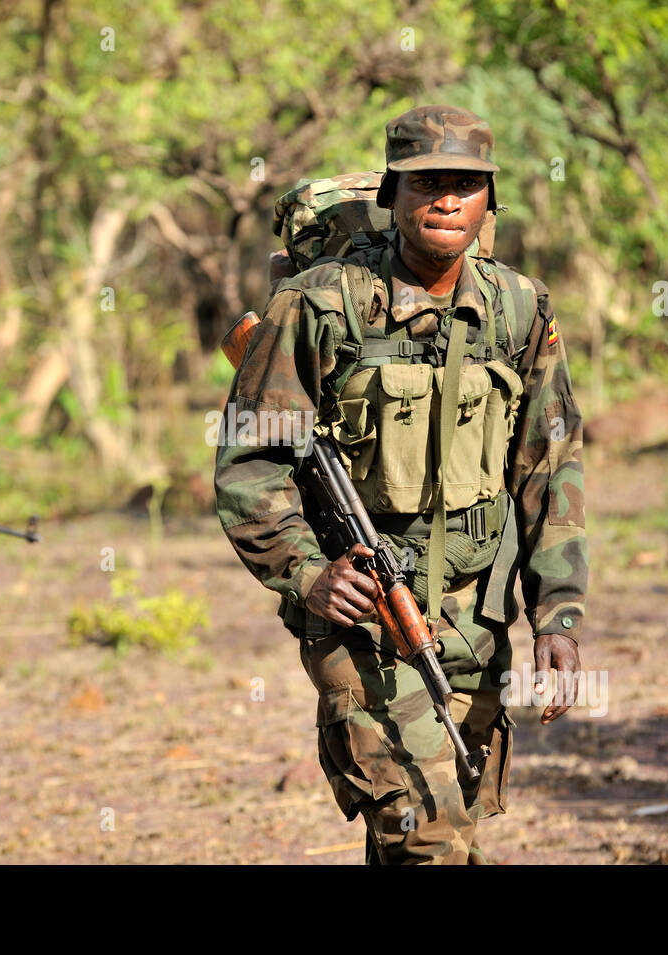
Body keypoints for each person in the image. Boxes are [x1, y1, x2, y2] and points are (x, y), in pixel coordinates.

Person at [215, 106, 588, 864]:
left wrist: (559, 614)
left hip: (476, 623)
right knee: (431, 834)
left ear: (490, 201)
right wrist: (309, 575)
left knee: (435, 830)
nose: (445, 200)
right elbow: (250, 465)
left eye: (465, 184)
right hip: (362, 620)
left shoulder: (521, 307)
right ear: (394, 192)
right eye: (426, 183)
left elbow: (549, 468)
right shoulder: (321, 302)